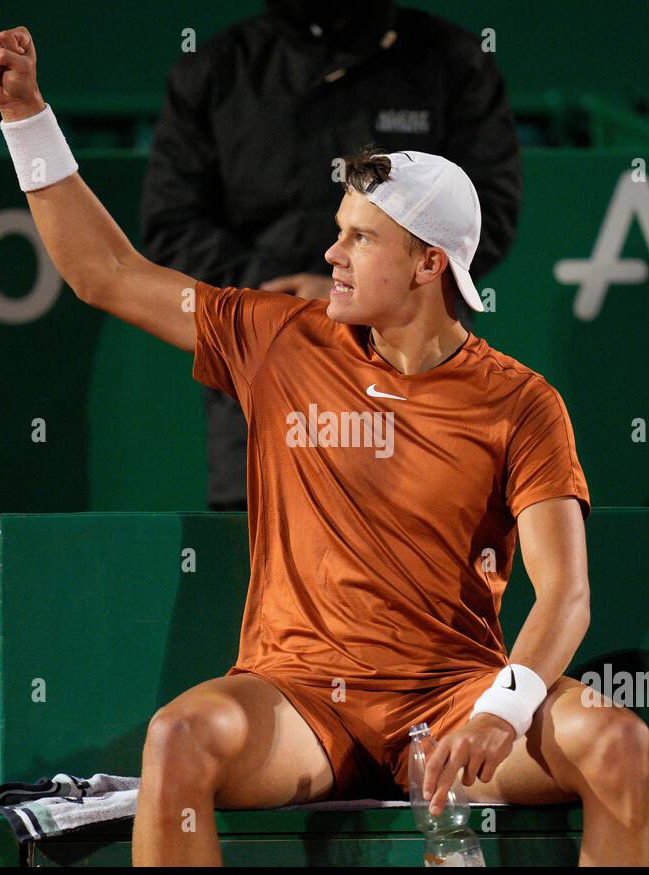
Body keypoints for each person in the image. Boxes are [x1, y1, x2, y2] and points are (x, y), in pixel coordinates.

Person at [0, 25, 649, 866]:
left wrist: (502, 711)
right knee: (177, 740)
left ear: (428, 265)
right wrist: (26, 117)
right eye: (339, 230)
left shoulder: (521, 402)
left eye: (361, 238)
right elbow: (104, 274)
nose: (331, 253)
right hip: (298, 702)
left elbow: (565, 596)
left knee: (619, 744)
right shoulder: (276, 339)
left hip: (453, 700)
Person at [140, 0, 522, 511]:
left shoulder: (455, 62)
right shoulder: (214, 70)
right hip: (266, 372)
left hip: (418, 383)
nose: (335, 251)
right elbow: (170, 223)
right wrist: (290, 301)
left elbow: (482, 215)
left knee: (428, 542)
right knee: (263, 552)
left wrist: (350, 290)